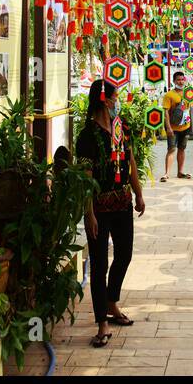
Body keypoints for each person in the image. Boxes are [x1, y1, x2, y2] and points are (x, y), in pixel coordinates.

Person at [75, 78, 145, 347]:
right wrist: (88, 212)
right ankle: (101, 322)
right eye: (115, 98)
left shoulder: (122, 128)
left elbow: (132, 163)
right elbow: (85, 177)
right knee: (99, 264)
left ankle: (111, 301)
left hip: (122, 202)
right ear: (104, 100)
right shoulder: (88, 136)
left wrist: (138, 193)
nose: (118, 102)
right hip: (99, 208)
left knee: (124, 254)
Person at [161, 71, 193, 182]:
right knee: (171, 149)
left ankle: (180, 172)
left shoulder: (189, 93)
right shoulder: (169, 95)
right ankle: (166, 173)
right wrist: (168, 127)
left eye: (182, 79)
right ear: (174, 81)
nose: (181, 81)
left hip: (186, 126)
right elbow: (165, 112)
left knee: (182, 149)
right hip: (173, 128)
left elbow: (191, 109)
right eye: (178, 79)